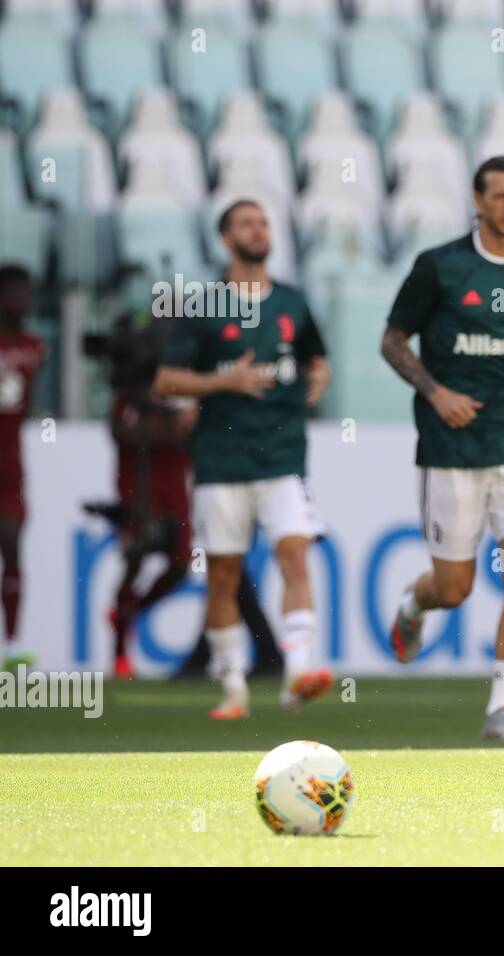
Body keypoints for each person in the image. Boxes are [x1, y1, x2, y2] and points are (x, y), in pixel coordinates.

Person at [380, 156, 504, 742]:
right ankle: (415, 607)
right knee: (455, 588)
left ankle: (502, 708)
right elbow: (392, 341)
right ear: (477, 198)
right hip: (453, 446)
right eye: (500, 197)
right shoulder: (439, 266)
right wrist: (436, 392)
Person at [154, 199, 335, 717]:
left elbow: (315, 358)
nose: (259, 230)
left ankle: (297, 673)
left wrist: (318, 378)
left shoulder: (293, 303)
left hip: (282, 456)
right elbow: (166, 380)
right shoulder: (204, 304)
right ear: (226, 238)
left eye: (263, 222)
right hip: (221, 458)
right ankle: (233, 687)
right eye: (247, 224)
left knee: (294, 553)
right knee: (224, 574)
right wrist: (221, 381)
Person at [105, 312, 198, 679]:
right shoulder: (127, 395)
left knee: (180, 567)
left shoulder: (184, 387)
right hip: (135, 487)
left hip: (174, 487)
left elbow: (183, 434)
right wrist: (148, 410)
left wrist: (156, 417)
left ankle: (127, 614)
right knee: (135, 558)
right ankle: (119, 653)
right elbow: (119, 432)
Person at [0, 264, 45, 671]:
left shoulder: (35, 346)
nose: (22, 301)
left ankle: (13, 645)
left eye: (26, 293)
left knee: (11, 540)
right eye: (14, 293)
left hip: (10, 460)